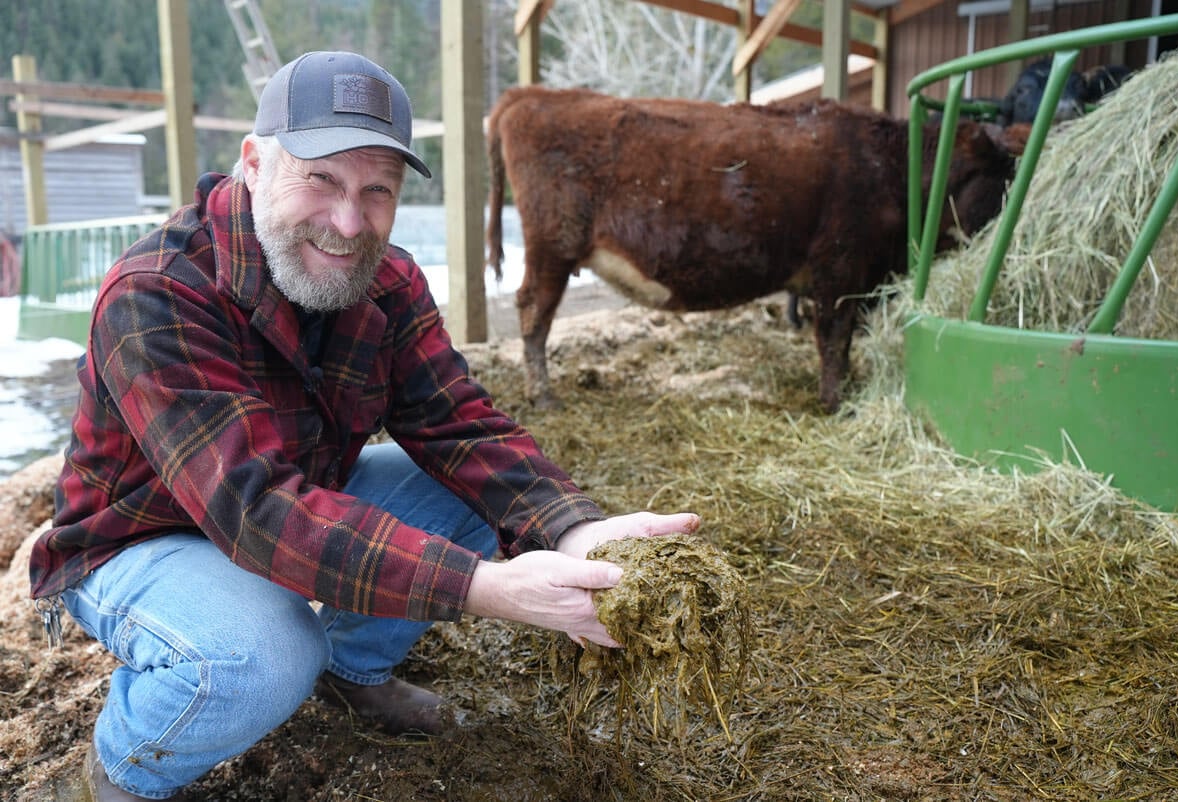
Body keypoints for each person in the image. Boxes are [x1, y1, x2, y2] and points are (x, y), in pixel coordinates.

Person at [28, 51, 698, 801]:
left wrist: (576, 533)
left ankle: (353, 670)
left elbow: (462, 426)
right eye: (321, 180)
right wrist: (483, 586)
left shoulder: (388, 280)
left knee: (472, 493)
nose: (349, 223)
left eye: (377, 191)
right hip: (143, 538)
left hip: (287, 497)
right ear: (254, 164)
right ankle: (120, 773)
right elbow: (252, 507)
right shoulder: (156, 293)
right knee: (266, 655)